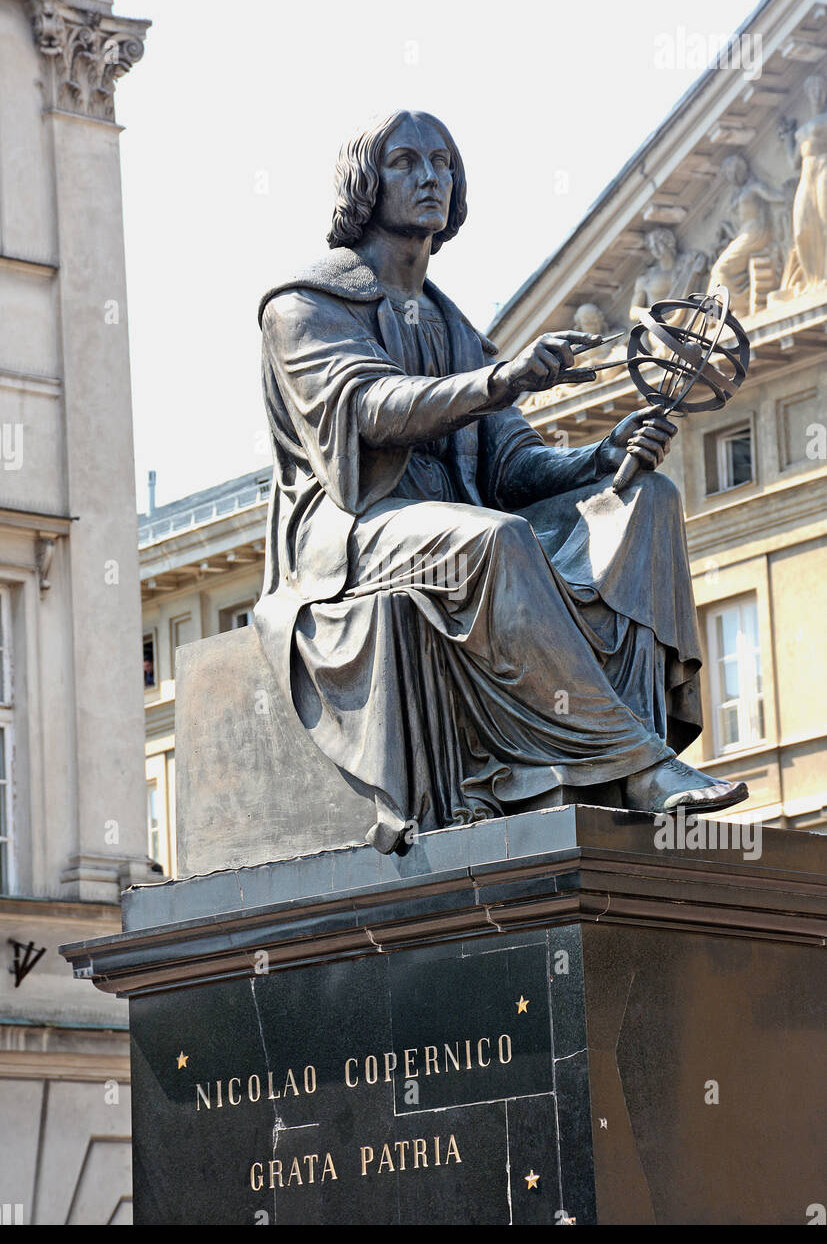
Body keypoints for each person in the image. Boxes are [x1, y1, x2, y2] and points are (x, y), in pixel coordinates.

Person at [253, 109, 747, 852]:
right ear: (362, 183)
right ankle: (633, 764)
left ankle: (618, 768)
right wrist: (500, 379)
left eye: (444, 163)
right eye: (407, 162)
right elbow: (371, 409)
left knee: (645, 500)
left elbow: (514, 468)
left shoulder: (455, 330)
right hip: (354, 534)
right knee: (495, 540)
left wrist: (601, 457)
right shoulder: (305, 306)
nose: (431, 178)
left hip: (455, 526)